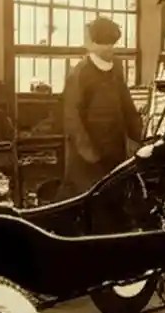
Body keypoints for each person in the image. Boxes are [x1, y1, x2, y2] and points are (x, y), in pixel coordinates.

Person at [59, 17, 144, 197]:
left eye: (112, 44)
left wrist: (138, 137)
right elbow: (72, 117)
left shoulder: (117, 68)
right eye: (104, 44)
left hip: (114, 148)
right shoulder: (79, 73)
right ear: (92, 44)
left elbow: (127, 104)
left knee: (116, 195)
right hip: (87, 155)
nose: (108, 49)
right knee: (91, 197)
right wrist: (89, 153)